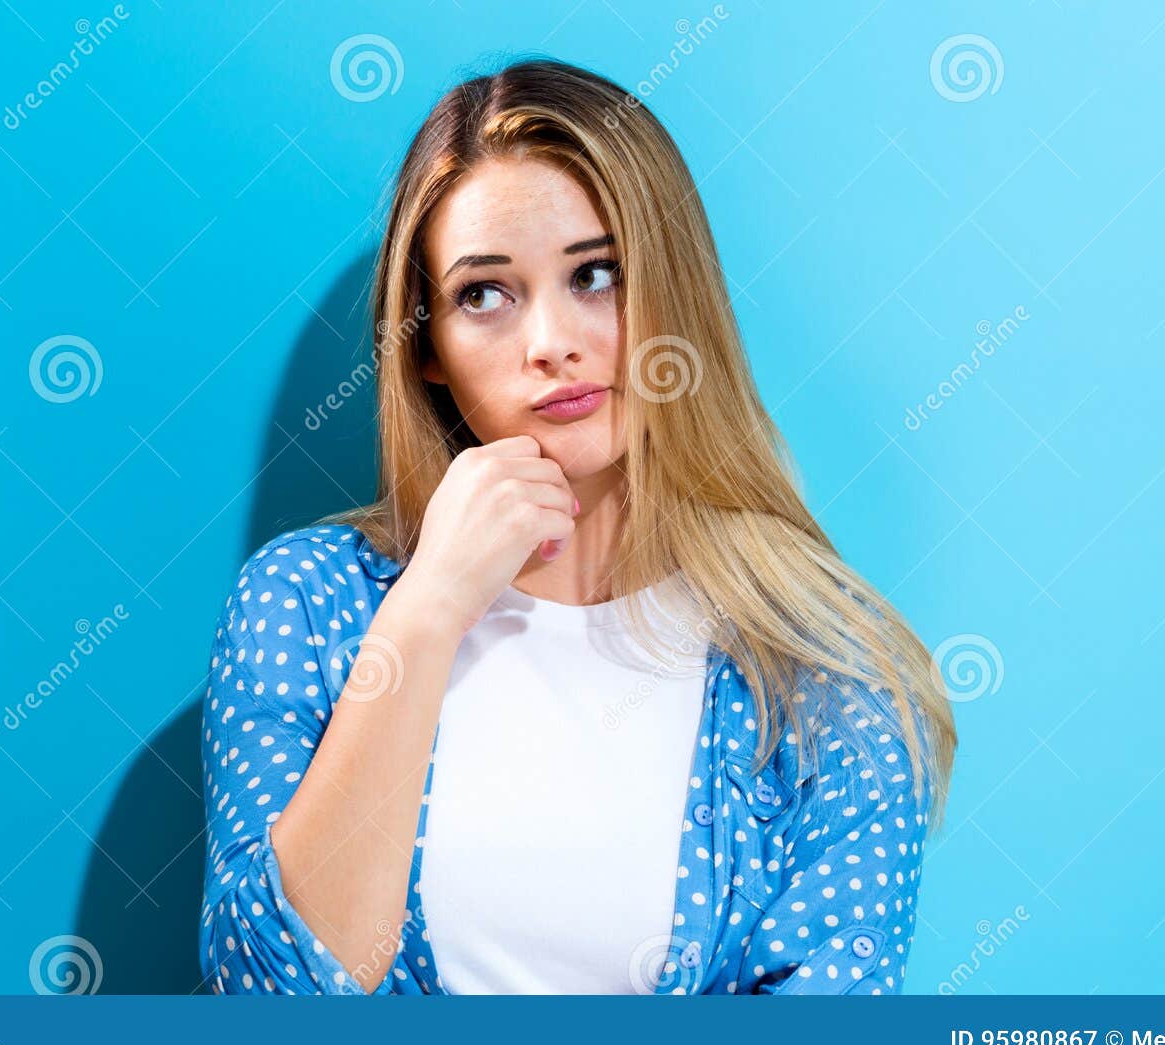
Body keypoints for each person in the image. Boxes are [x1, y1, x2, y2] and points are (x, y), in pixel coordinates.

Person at [200, 56, 957, 996]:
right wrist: (426, 611)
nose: (551, 341)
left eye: (596, 274)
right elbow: (273, 1000)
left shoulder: (824, 675)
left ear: (674, 292)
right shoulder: (308, 604)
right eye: (485, 294)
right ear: (427, 347)